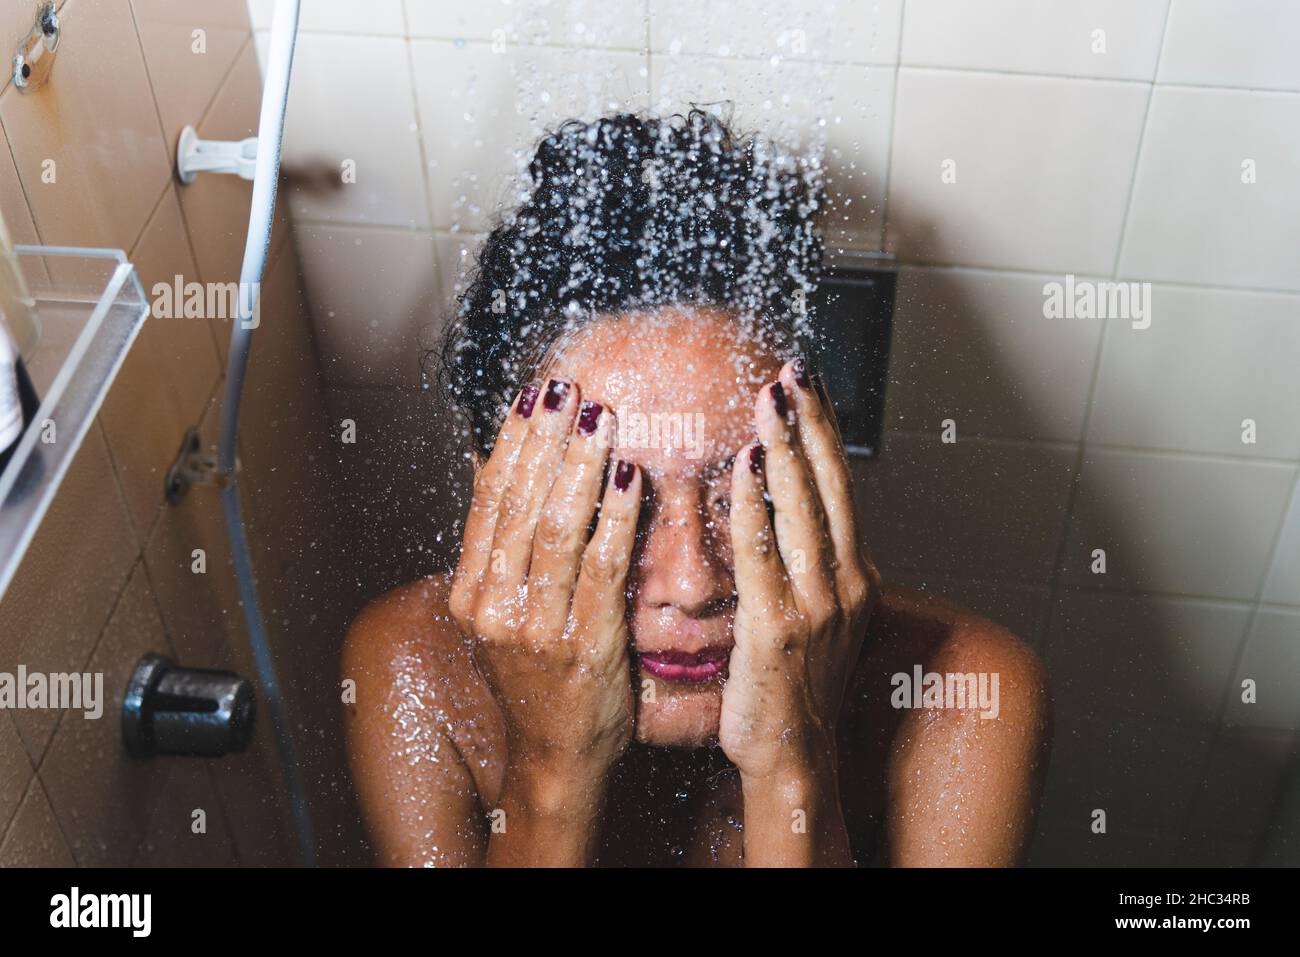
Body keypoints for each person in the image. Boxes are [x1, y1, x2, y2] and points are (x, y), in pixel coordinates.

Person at [342, 110, 1050, 867]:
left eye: (742, 491)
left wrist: (793, 763)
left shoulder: (961, 693)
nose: (693, 584)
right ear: (498, 498)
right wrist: (552, 770)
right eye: (620, 503)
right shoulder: (413, 671)